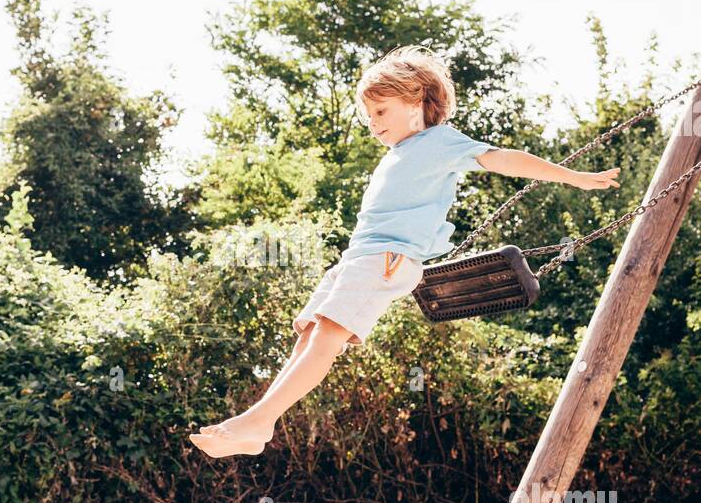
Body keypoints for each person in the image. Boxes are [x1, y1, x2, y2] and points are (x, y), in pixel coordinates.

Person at [189, 46, 620, 458]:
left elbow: (506, 159)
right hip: (358, 258)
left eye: (381, 111)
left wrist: (574, 177)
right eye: (368, 116)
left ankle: (257, 421)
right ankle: (258, 423)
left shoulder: (438, 142)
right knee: (309, 334)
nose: (373, 123)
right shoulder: (399, 153)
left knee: (327, 337)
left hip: (386, 259)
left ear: (415, 101)